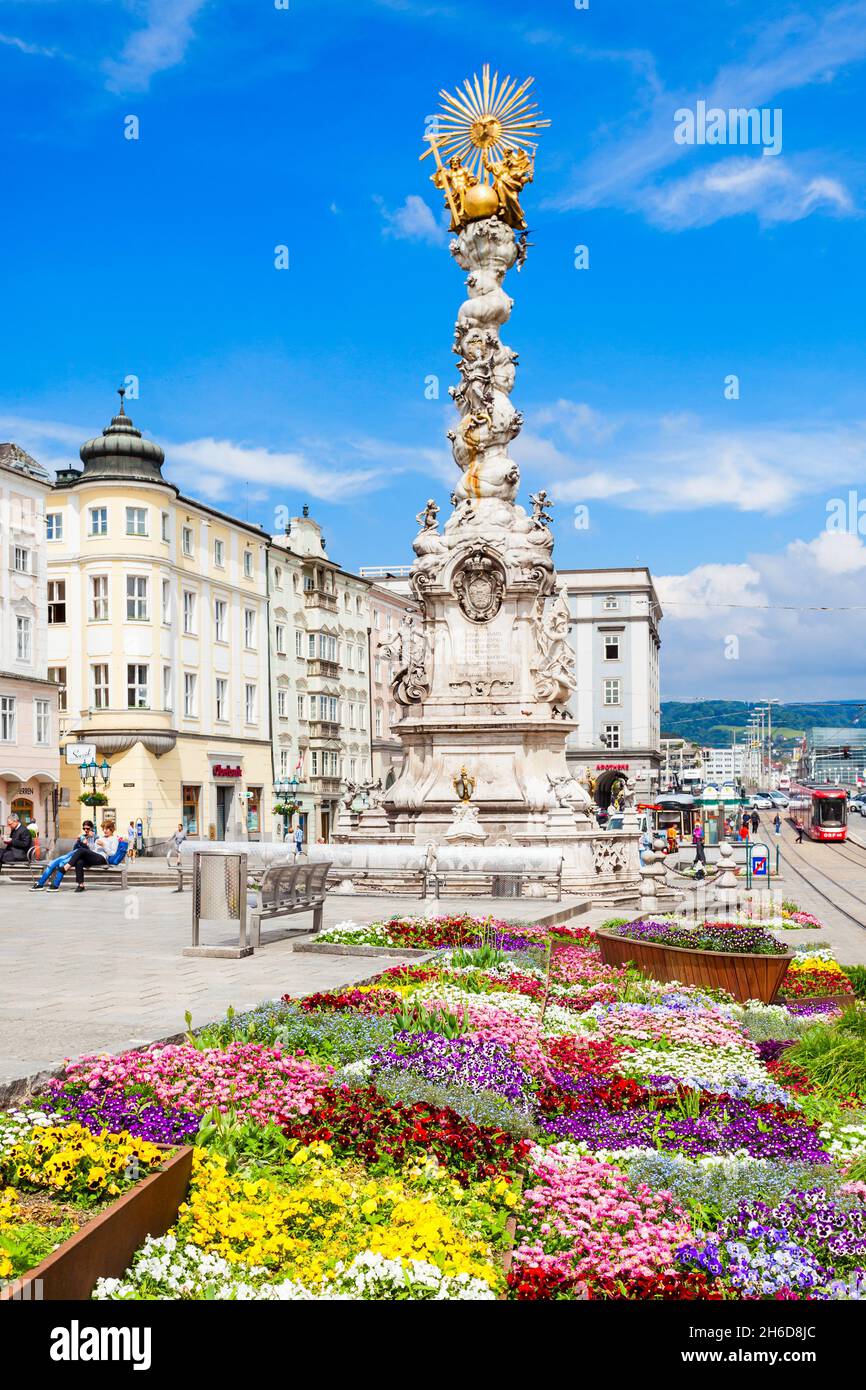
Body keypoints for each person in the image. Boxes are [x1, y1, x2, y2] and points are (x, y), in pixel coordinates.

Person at [54, 819, 119, 893]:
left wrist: (103, 845)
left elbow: (112, 853)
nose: (105, 831)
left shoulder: (114, 839)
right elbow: (93, 849)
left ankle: (65, 867)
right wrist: (87, 844)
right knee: (79, 861)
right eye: (103, 829)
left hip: (102, 858)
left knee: (81, 850)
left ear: (111, 829)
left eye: (107, 829)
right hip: (94, 856)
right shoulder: (101, 838)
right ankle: (80, 885)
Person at [32, 822, 95, 890]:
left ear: (91, 828)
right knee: (52, 863)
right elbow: (75, 849)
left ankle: (55, 885)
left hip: (81, 857)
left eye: (87, 829)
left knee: (62, 864)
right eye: (84, 828)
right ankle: (40, 884)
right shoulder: (83, 836)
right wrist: (78, 841)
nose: (85, 830)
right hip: (72, 854)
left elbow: (93, 852)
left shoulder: (95, 837)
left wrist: (88, 841)